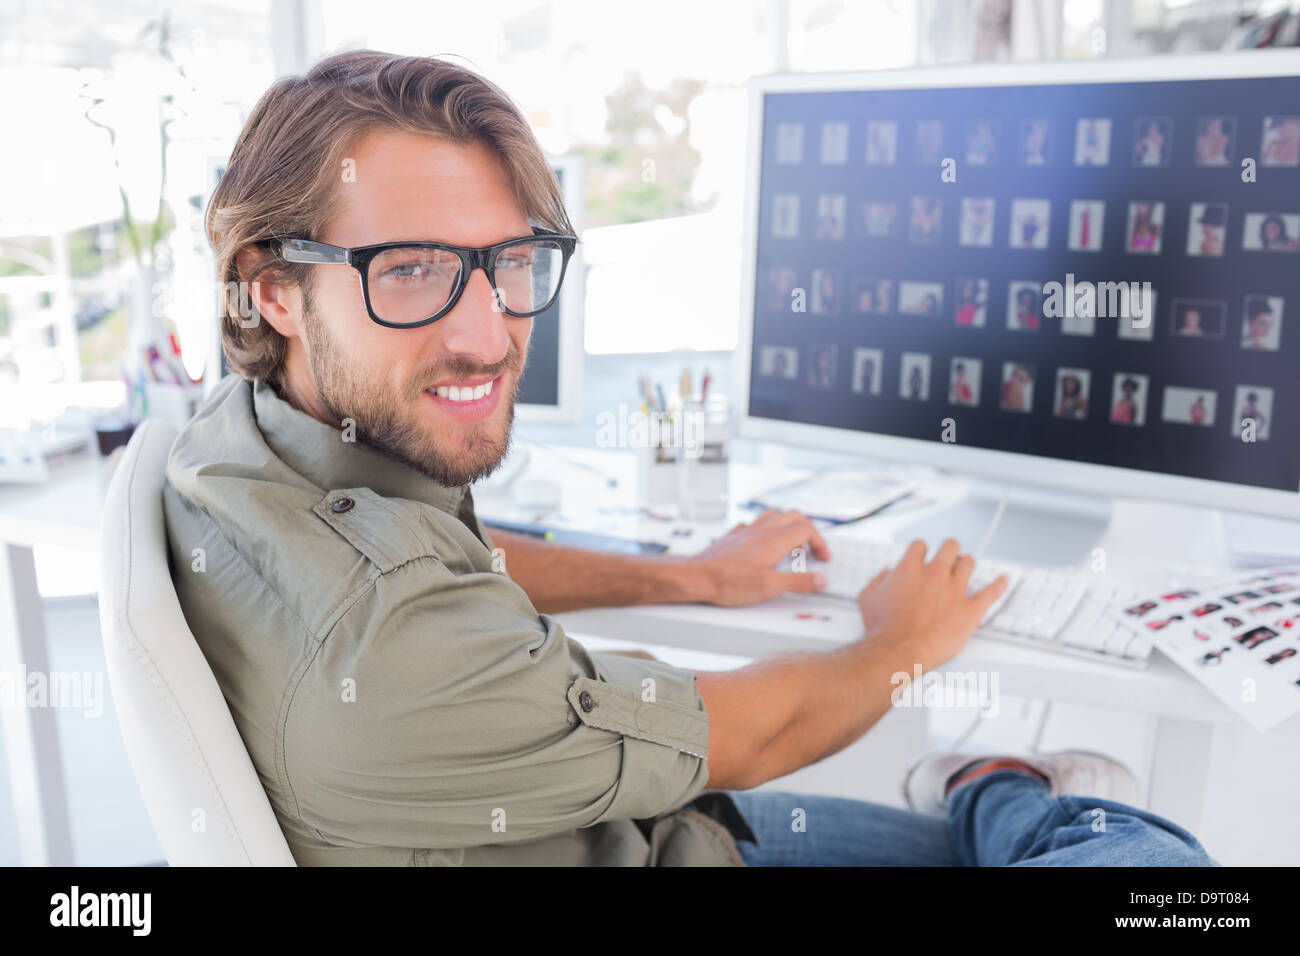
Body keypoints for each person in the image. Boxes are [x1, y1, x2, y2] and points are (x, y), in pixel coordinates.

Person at [164, 49, 1217, 868]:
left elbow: (444, 565)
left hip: (625, 822)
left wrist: (687, 576)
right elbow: (761, 732)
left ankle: (999, 791)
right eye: (410, 271)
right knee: (1156, 862)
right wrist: (904, 641)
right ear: (271, 286)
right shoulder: (392, 666)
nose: (486, 334)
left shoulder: (240, 447)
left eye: (511, 263)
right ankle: (995, 782)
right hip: (657, 834)